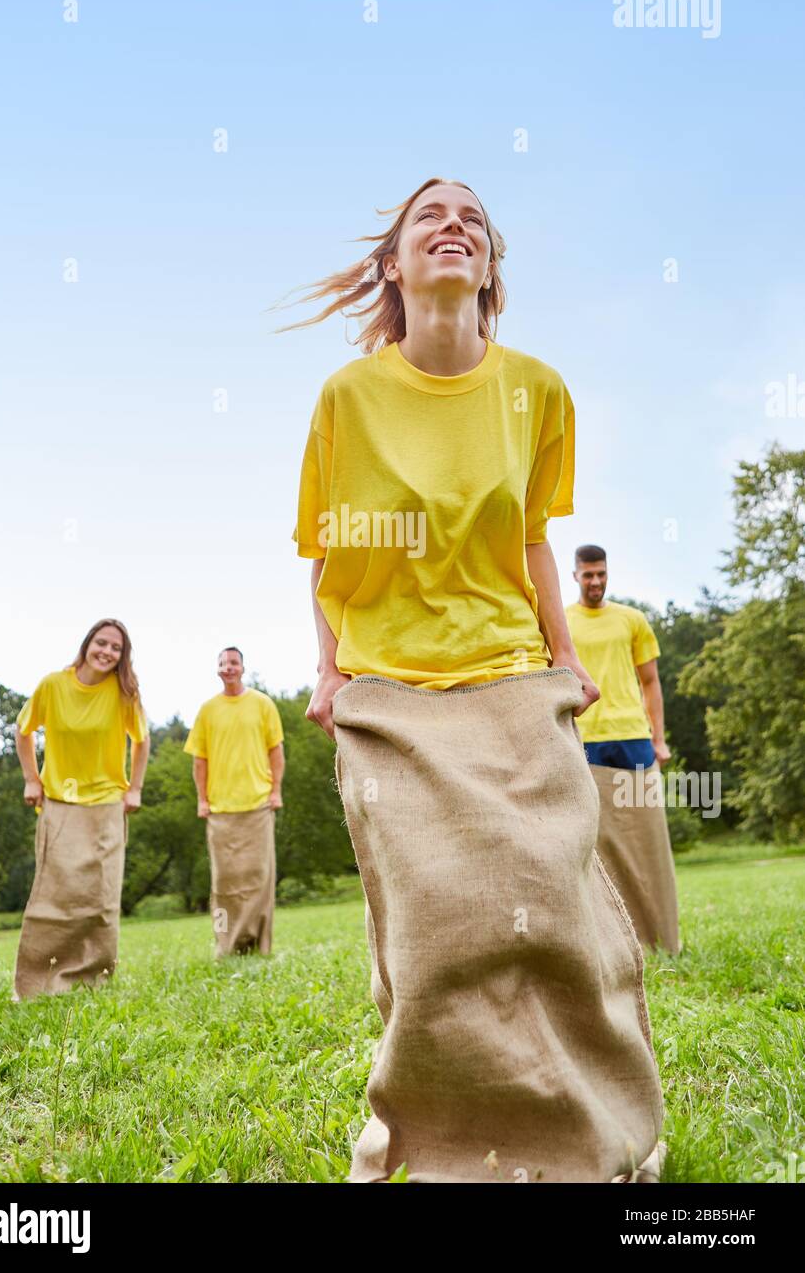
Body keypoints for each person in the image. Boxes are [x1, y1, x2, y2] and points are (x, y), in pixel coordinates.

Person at [281, 176, 665, 1184]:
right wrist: (326, 671)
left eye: (472, 221)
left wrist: (567, 659)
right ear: (394, 265)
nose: (452, 226)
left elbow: (530, 538)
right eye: (427, 218)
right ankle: (437, 1140)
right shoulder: (347, 396)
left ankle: (589, 1125)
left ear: (488, 268)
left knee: (545, 888)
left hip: (505, 669)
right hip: (391, 687)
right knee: (435, 915)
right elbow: (321, 553)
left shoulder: (536, 389)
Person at [13, 618, 150, 999]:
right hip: (60, 801)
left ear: (123, 656)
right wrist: (31, 779)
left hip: (107, 801)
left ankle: (94, 978)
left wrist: (134, 787)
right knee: (55, 893)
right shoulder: (54, 685)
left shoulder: (124, 692)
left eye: (116, 648)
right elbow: (23, 730)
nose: (107, 652)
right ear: (87, 643)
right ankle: (38, 981)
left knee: (101, 894)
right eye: (102, 643)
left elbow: (142, 740)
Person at [566, 545, 681, 955]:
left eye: (601, 574)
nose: (595, 581)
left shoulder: (632, 619)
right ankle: (613, 942)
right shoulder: (560, 623)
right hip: (584, 739)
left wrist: (659, 737)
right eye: (587, 575)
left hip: (632, 737)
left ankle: (665, 938)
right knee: (597, 842)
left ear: (607, 574)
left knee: (646, 837)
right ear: (575, 575)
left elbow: (651, 682)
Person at [184, 646, 284, 956]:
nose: (228, 667)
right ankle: (226, 945)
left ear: (243, 667)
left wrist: (275, 790)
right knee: (225, 883)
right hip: (220, 809)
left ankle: (260, 945)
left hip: (258, 805)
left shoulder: (262, 704)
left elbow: (275, 752)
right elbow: (199, 761)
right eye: (223, 663)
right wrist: (202, 800)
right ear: (217, 669)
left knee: (260, 879)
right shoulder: (207, 710)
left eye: (233, 662)